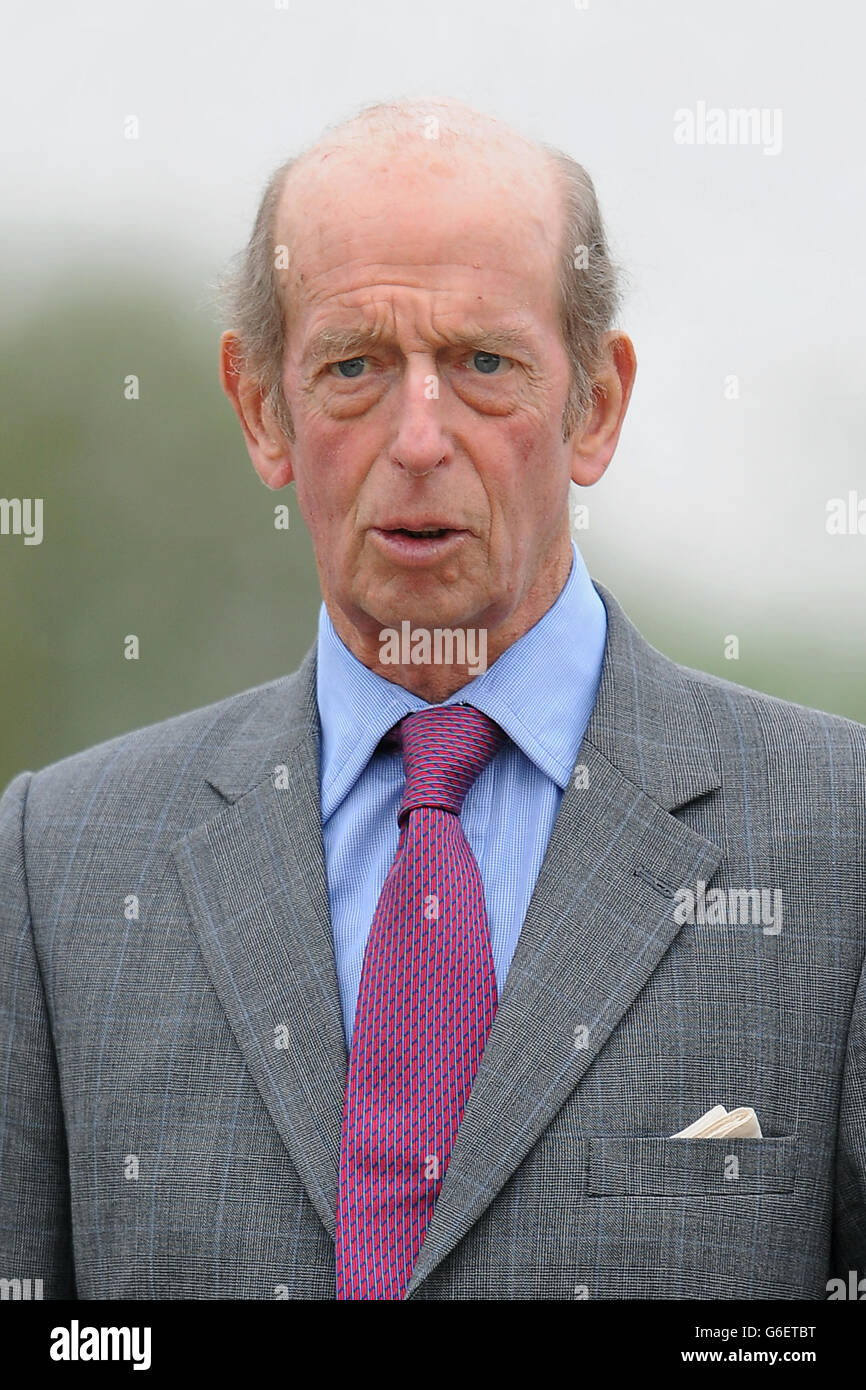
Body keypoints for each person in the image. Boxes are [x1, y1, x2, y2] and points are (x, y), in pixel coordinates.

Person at [1, 98, 863, 1301]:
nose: (418, 437)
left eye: (483, 364)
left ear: (595, 405)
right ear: (261, 409)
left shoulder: (840, 840)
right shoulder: (57, 867)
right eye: (352, 366)